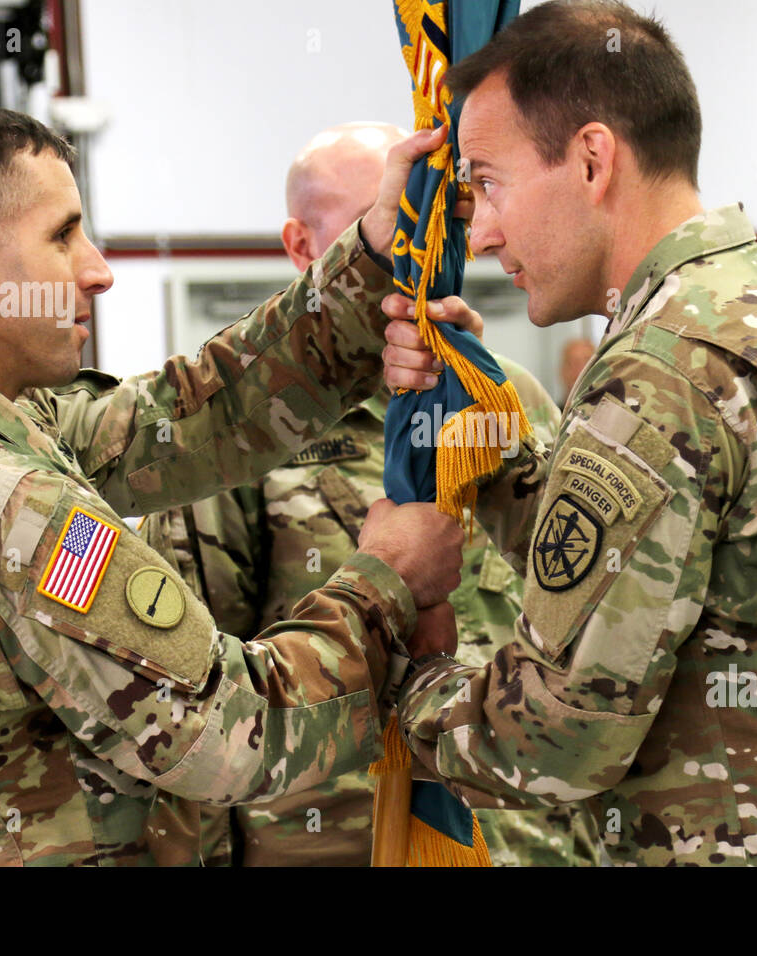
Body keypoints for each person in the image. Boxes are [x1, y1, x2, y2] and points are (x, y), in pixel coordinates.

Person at [382, 0, 757, 866]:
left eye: (488, 183)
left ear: (593, 159)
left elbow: (556, 743)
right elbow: (690, 576)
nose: (480, 232)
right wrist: (477, 437)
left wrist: (404, 680)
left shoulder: (659, 375)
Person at [0, 103, 472, 866]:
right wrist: (387, 579)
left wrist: (368, 257)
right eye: (63, 235)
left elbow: (194, 415)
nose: (97, 270)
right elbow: (234, 733)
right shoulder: (5, 506)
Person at [141, 122, 601, 866]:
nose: (410, 256)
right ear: (301, 246)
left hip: (508, 836)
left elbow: (573, 608)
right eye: (382, 227)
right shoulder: (245, 436)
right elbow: (194, 690)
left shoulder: (504, 398)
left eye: (426, 224)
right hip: (330, 840)